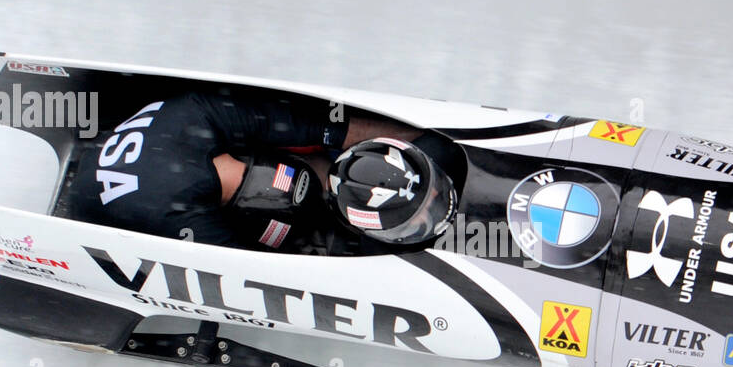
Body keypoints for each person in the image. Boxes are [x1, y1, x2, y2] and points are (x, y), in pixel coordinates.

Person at [67, 89, 456, 251]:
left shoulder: (212, 114)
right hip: (87, 210)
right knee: (288, 203)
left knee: (301, 146)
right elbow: (246, 269)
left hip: (159, 149)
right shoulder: (184, 220)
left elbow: (330, 126)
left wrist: (417, 138)